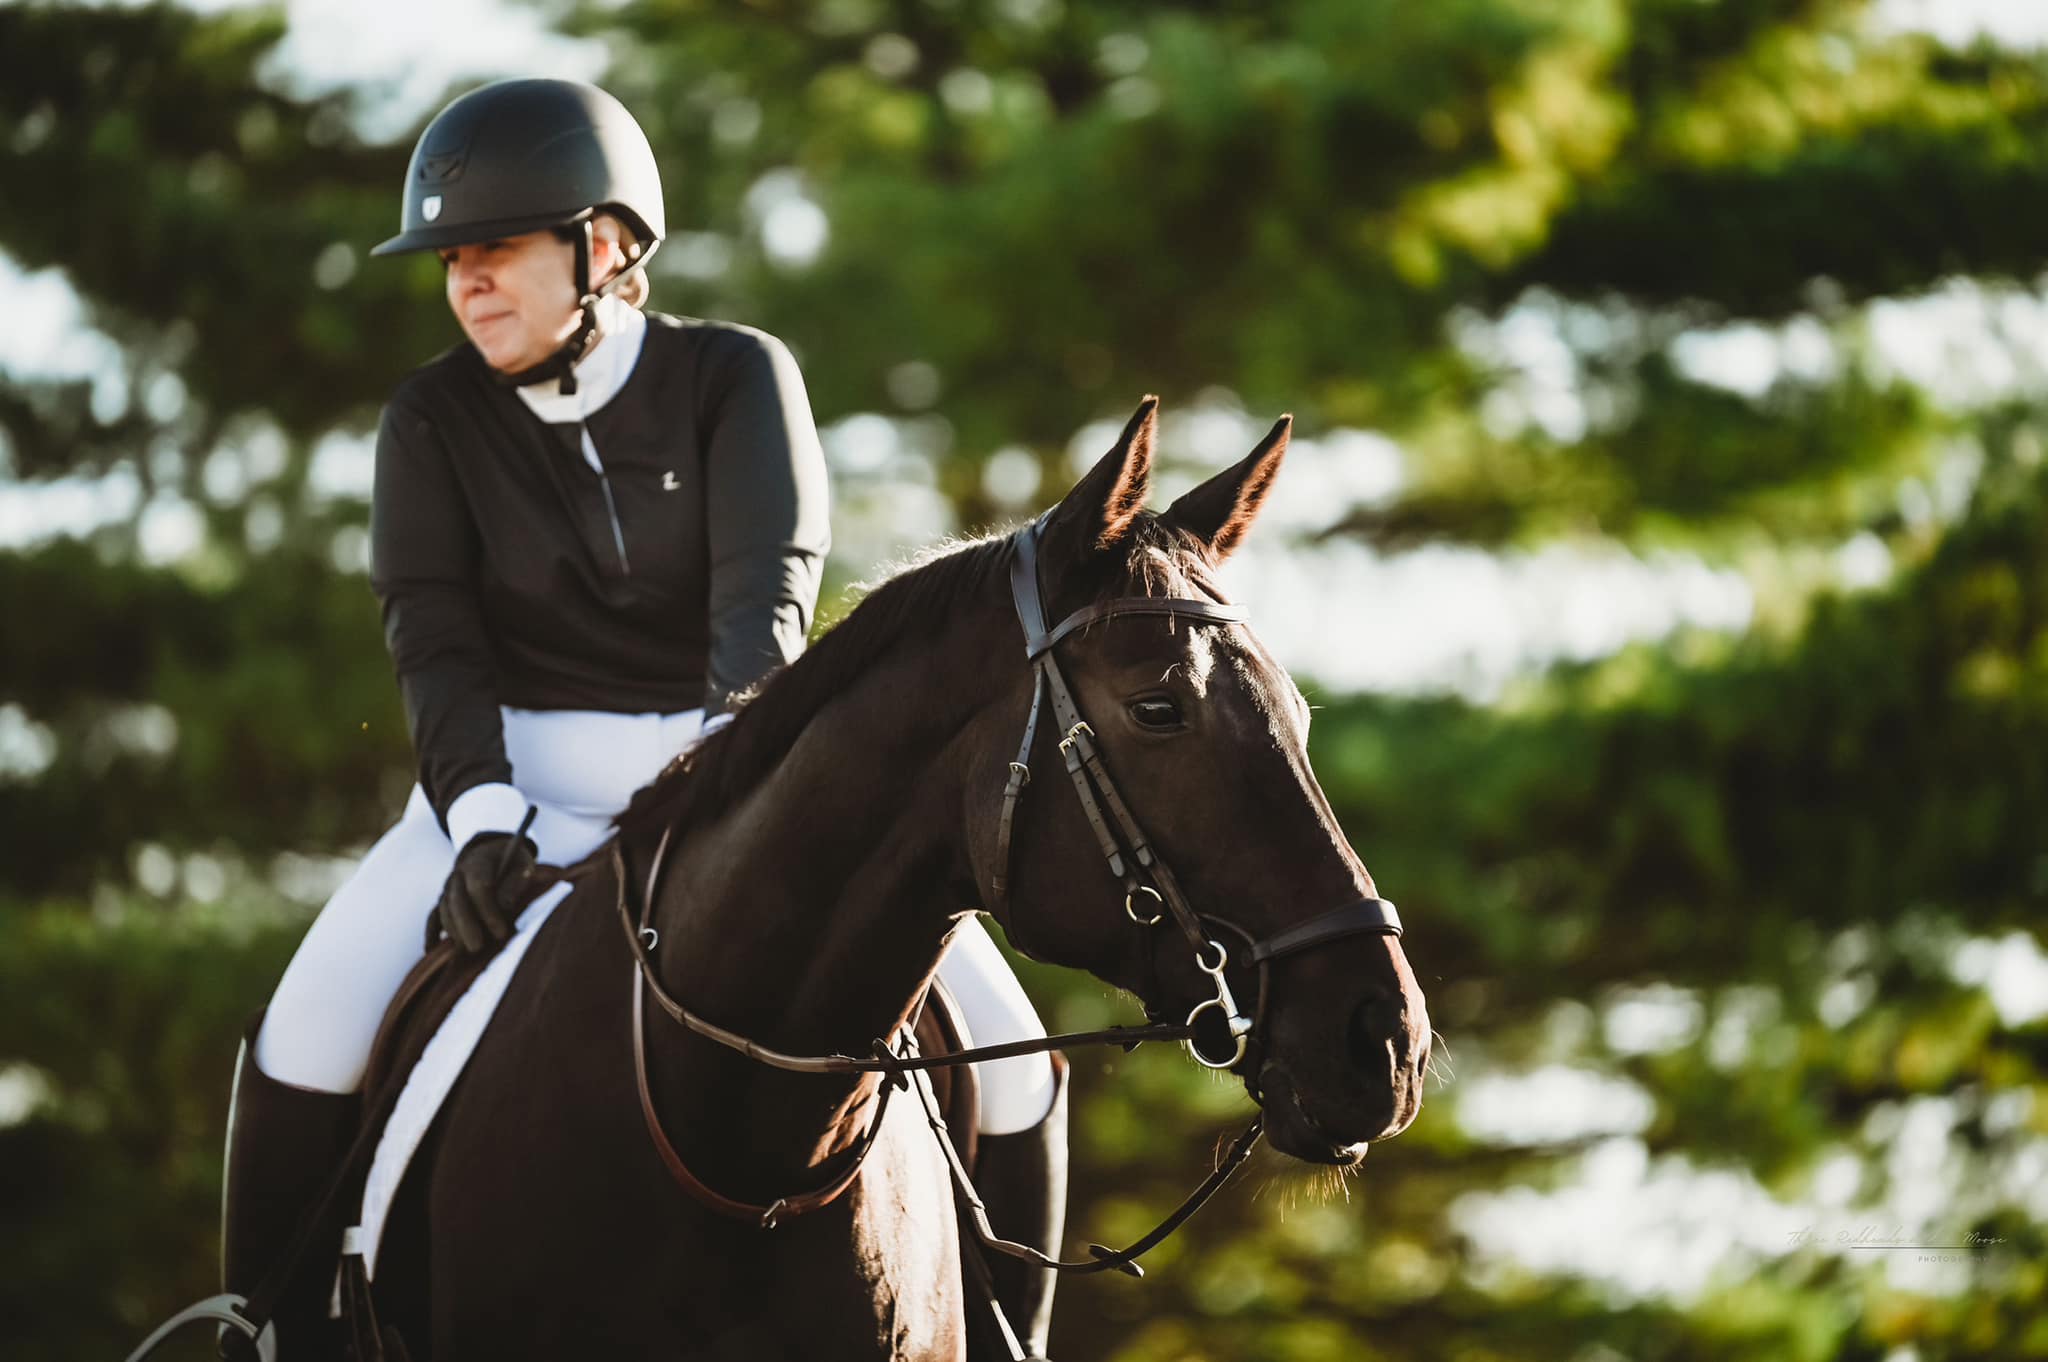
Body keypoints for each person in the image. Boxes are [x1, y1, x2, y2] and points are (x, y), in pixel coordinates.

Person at [220, 78, 1066, 1359]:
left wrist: (732, 806)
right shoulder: (428, 422)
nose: (467, 281)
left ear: (605, 244)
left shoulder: (734, 377)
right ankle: (260, 1337)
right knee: (306, 1030)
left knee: (1007, 1049)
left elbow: (761, 616)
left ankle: (1011, 1335)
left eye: (498, 246)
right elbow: (434, 644)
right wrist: (483, 819)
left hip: (723, 769)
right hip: (504, 784)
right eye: (451, 259)